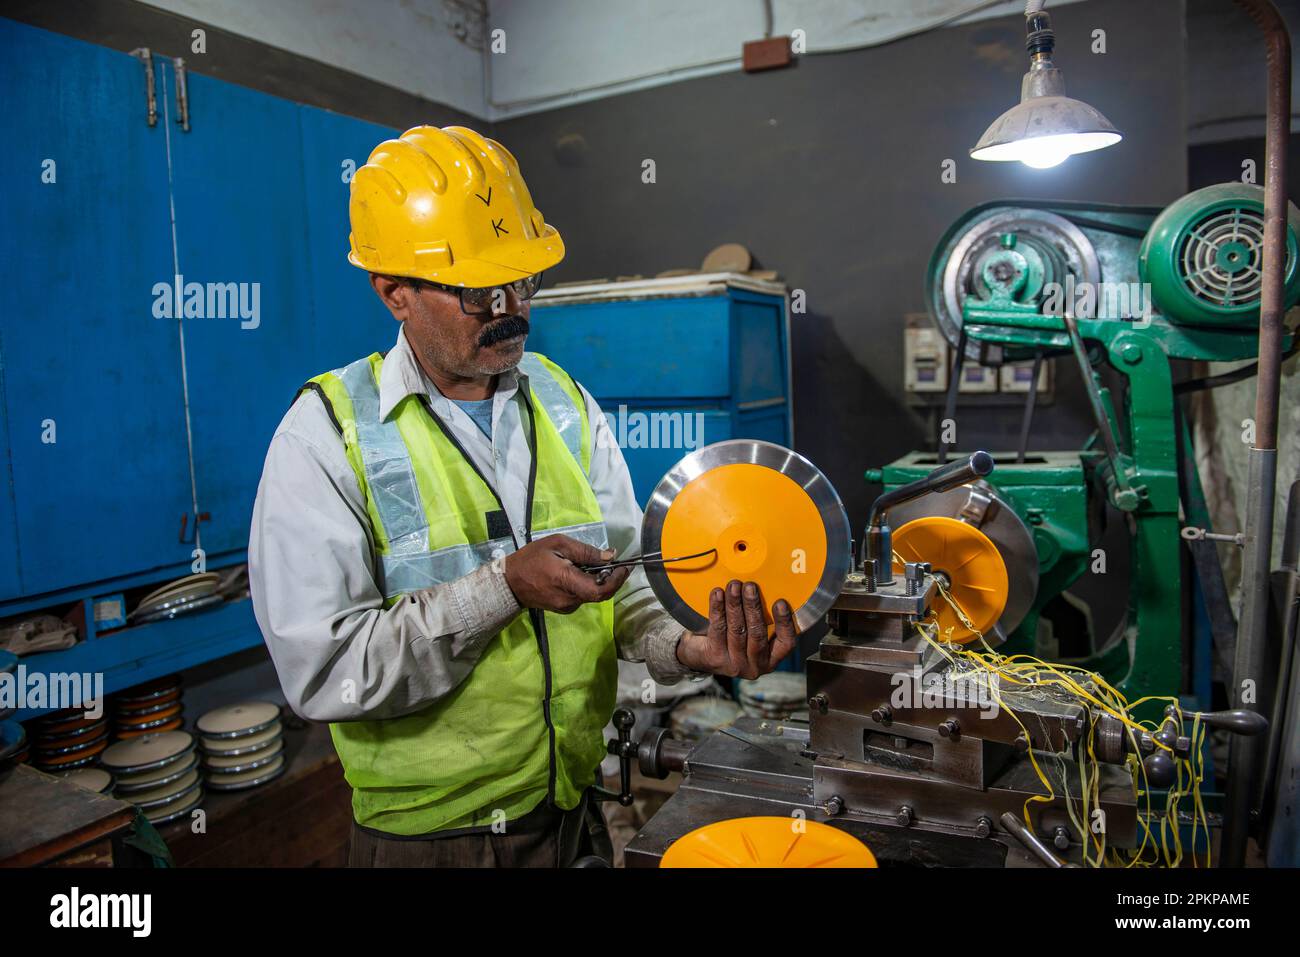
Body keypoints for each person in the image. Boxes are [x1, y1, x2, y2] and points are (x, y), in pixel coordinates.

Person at [249, 125, 798, 867]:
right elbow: (326, 670)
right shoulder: (328, 436)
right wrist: (503, 588)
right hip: (431, 840)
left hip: (575, 802)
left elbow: (625, 581)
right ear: (394, 291)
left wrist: (688, 645)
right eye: (480, 289)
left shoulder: (564, 402)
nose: (513, 308)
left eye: (525, 280)